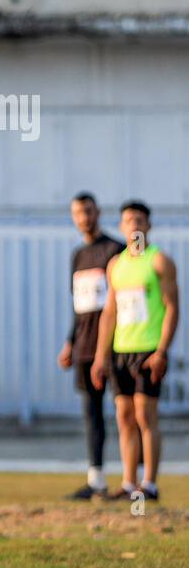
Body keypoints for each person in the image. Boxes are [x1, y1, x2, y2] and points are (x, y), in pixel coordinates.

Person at [91, 201, 179, 502]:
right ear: (122, 227)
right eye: (129, 220)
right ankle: (128, 484)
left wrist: (162, 350)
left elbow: (172, 308)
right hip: (121, 350)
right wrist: (101, 356)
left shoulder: (159, 262)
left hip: (147, 349)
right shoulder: (116, 265)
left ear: (149, 226)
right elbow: (110, 313)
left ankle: (149, 484)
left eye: (140, 220)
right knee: (124, 416)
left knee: (145, 415)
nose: (135, 226)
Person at [56, 193, 123, 499]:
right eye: (78, 213)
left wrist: (107, 348)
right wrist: (70, 342)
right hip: (84, 348)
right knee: (91, 412)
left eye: (88, 211)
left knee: (127, 412)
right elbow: (79, 307)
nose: (84, 218)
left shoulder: (115, 250)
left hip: (115, 346)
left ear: (98, 212)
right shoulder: (78, 256)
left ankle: (134, 482)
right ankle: (96, 478)